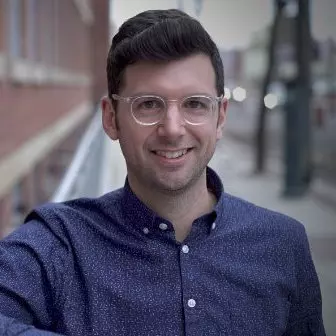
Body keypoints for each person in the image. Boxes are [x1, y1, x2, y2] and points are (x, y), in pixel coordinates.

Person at [0, 8, 325, 336]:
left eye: (195, 104)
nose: (172, 129)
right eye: (148, 104)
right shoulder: (61, 245)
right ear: (111, 118)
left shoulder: (283, 245)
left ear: (220, 117)